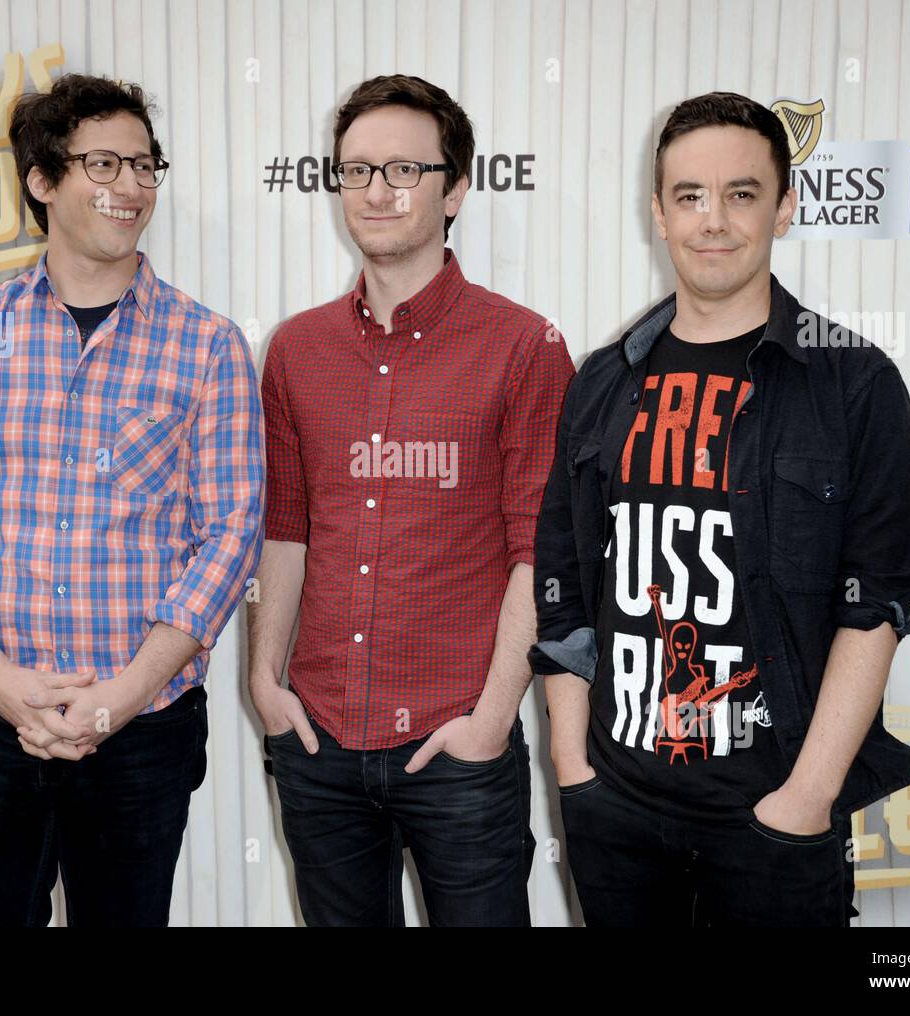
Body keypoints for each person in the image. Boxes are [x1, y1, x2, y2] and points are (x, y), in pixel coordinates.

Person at [532, 91, 910, 927]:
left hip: (776, 815)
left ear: (786, 208)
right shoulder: (601, 382)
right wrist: (574, 771)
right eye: (689, 196)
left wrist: (808, 796)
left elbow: (877, 605)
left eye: (742, 194)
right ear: (658, 213)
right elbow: (564, 585)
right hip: (617, 812)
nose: (713, 220)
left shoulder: (854, 383)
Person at [0, 73, 264, 926]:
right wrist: (3, 682)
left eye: (144, 163)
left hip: (142, 730)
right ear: (42, 181)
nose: (130, 186)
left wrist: (117, 699)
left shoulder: (207, 345)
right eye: (102, 163)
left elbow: (229, 538)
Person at [248, 74, 574, 926]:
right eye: (356, 171)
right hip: (317, 741)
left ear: (456, 185)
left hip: (456, 745)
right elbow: (286, 529)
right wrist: (261, 677)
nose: (376, 191)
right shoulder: (296, 350)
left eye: (403, 169)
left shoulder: (523, 346)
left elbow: (538, 550)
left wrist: (493, 719)